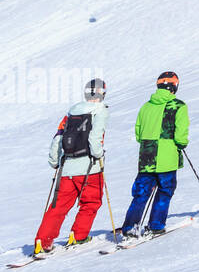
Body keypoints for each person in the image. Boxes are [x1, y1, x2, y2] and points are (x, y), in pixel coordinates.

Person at [34, 79, 108, 253]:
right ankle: (79, 235)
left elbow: (58, 139)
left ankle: (42, 242)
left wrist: (54, 161)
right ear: (102, 94)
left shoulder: (70, 113)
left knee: (57, 206)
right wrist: (98, 154)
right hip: (90, 168)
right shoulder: (101, 111)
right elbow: (95, 137)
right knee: (90, 202)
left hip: (66, 169)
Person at [121, 71, 189, 237]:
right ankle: (156, 225)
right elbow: (181, 135)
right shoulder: (178, 106)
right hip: (167, 158)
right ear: (175, 86)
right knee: (165, 190)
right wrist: (180, 144)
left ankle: (130, 227)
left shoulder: (146, 106)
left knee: (141, 192)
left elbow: (138, 133)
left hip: (147, 156)